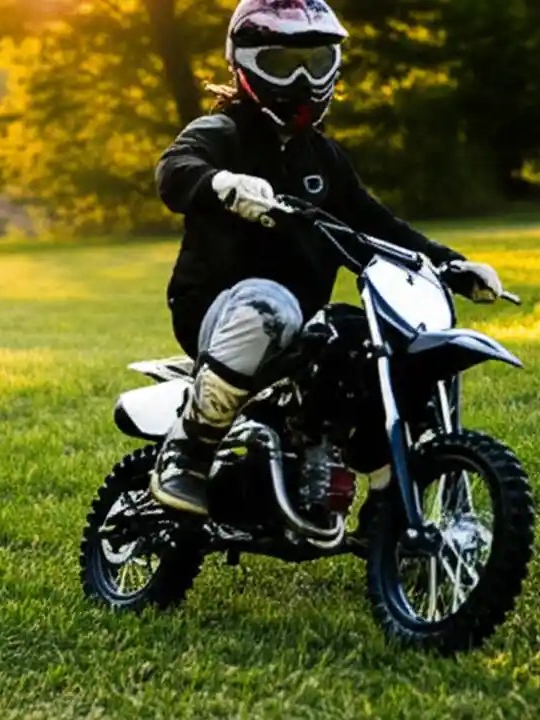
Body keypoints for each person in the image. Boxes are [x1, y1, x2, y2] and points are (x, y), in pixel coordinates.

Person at [150, 0, 504, 515]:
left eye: (315, 62)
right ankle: (189, 450)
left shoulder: (325, 157)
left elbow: (377, 225)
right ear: (244, 64)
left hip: (302, 319)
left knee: (370, 345)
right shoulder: (221, 132)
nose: (301, 79)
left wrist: (450, 265)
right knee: (269, 303)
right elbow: (174, 168)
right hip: (217, 311)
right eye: (281, 63)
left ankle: (382, 503)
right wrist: (222, 184)